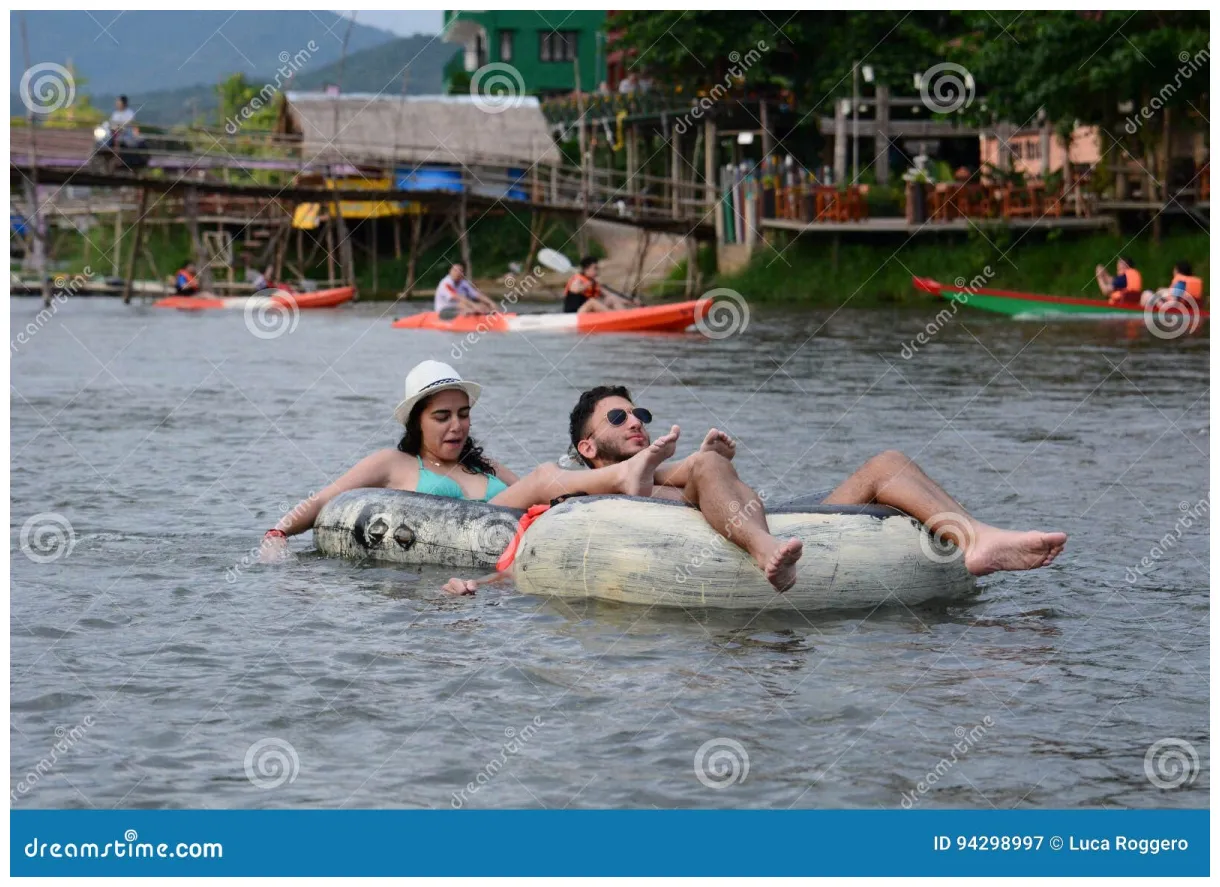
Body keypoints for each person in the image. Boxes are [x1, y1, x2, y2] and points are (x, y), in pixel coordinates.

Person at [444, 386, 1068, 596]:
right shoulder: (572, 491)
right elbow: (531, 554)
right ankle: (768, 552)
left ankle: (977, 539)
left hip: (781, 530)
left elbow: (697, 474)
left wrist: (714, 465)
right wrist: (480, 590)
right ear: (587, 446)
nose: (635, 421)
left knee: (887, 463)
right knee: (705, 465)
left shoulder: (669, 469)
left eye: (640, 414)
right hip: (736, 546)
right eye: (617, 417)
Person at [259, 363, 688, 562]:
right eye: (442, 417)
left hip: (502, 549)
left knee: (549, 482)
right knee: (543, 475)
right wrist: (278, 533)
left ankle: (682, 482)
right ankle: (631, 473)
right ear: (417, 421)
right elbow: (326, 498)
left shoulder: (488, 468)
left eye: (463, 414)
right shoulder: (393, 463)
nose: (457, 426)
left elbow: (550, 504)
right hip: (457, 542)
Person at [562, 257, 635, 314]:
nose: (597, 271)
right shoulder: (577, 279)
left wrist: (630, 301)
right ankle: (616, 317)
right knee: (592, 302)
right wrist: (588, 284)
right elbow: (574, 289)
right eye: (595, 268)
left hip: (588, 313)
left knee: (611, 298)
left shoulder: (594, 283)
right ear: (586, 269)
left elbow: (609, 295)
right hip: (574, 314)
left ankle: (625, 315)